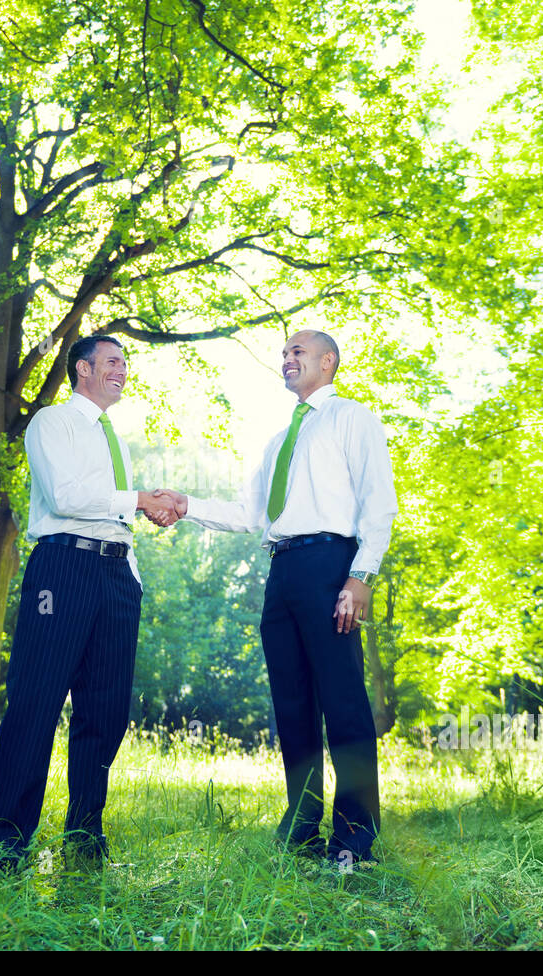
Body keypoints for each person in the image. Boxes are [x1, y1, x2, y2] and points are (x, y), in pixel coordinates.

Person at [163, 329, 397, 866]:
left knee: (343, 704)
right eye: (284, 352)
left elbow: (378, 501)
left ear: (328, 361)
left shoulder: (352, 418)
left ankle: (355, 839)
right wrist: (186, 503)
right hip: (282, 570)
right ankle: (302, 827)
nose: (287, 359)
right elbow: (250, 514)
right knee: (292, 706)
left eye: (298, 351)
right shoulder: (277, 442)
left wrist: (360, 576)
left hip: (330, 565)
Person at [0, 333, 178, 872]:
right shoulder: (52, 422)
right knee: (36, 702)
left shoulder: (117, 441)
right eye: (112, 361)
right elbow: (65, 497)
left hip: (117, 576)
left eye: (125, 363)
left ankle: (86, 838)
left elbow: (114, 510)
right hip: (62, 570)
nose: (122, 370)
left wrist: (144, 517)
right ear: (83, 369)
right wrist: (140, 499)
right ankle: (4, 843)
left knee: (105, 711)